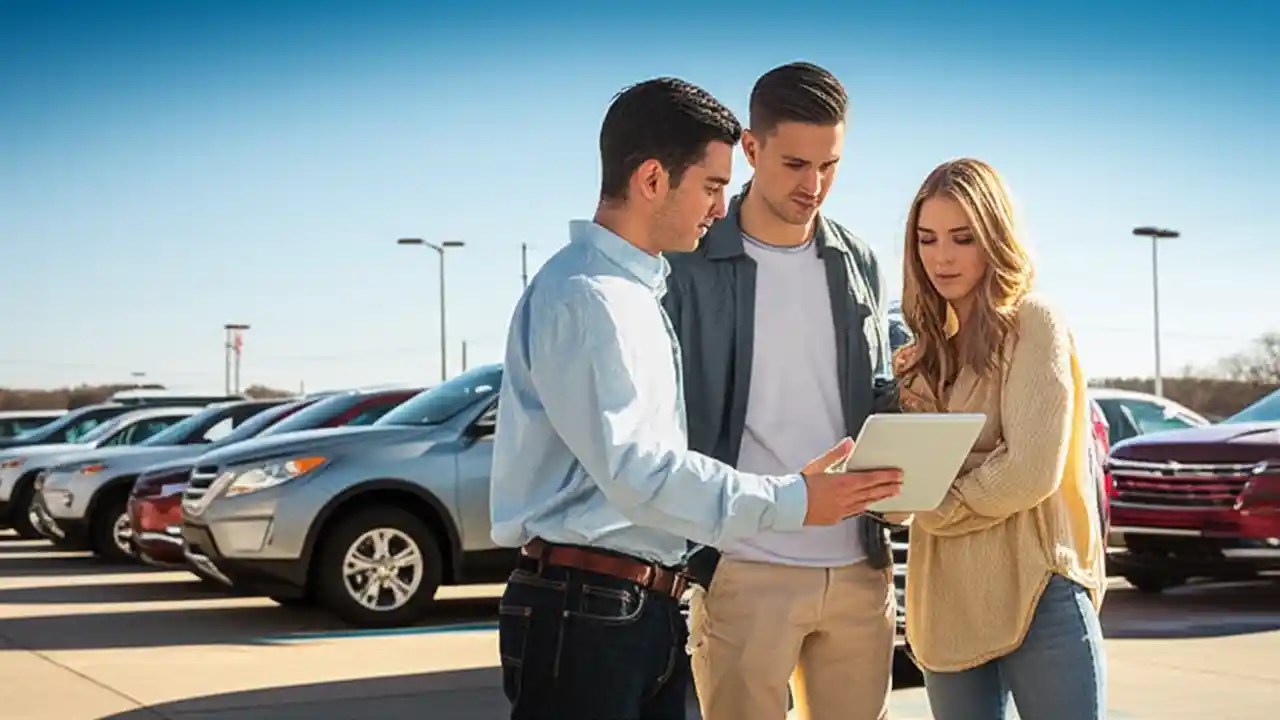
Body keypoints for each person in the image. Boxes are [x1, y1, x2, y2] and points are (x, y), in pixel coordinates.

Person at [488, 76, 904, 720]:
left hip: (635, 604)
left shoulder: (634, 292)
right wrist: (793, 498)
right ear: (653, 179)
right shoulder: (591, 298)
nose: (718, 207)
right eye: (711, 186)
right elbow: (641, 471)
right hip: (589, 603)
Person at [661, 61, 900, 720]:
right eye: (796, 164)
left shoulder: (859, 262)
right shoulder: (687, 263)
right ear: (751, 148)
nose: (814, 185)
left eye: (830, 165)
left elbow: (876, 393)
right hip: (745, 564)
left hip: (858, 568)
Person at [892, 157, 1108, 720]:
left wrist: (941, 501)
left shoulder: (1034, 323)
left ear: (995, 237)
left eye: (963, 238)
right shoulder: (918, 359)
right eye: (927, 238)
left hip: (1039, 590)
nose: (941, 257)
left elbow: (1029, 471)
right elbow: (905, 487)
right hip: (944, 602)